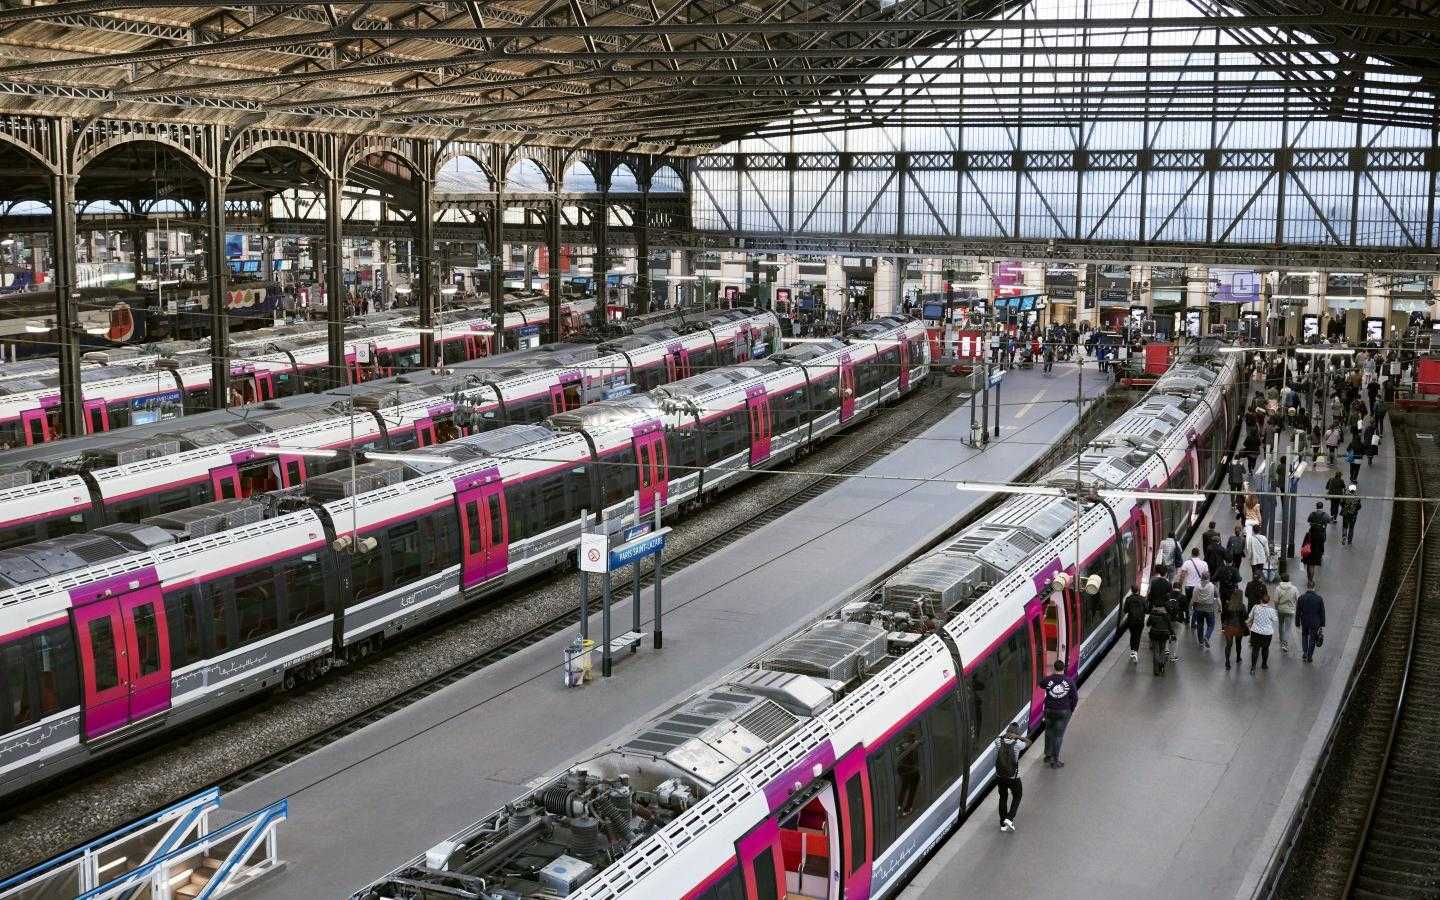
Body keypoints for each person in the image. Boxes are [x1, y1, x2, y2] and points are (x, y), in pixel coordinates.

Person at [1038, 659, 1077, 768]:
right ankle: (1055, 761)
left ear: (1054, 668)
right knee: (1058, 736)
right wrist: (1071, 709)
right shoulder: (1069, 681)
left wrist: (1050, 680)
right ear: (1063, 668)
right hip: (1063, 711)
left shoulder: (1049, 679)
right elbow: (1075, 697)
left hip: (1049, 710)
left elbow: (1041, 684)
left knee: (1049, 731)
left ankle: (1048, 755)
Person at [994, 722, 1028, 832]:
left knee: (1003, 797)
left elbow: (996, 752)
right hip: (1013, 777)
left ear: (1007, 731)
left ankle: (1002, 824)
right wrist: (1018, 737)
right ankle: (1009, 818)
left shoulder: (998, 741)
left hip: (1000, 775)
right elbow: (1028, 742)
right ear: (1016, 733)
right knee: (1018, 795)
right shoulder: (1018, 743)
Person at [1247, 593, 1278, 673]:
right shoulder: (1271, 610)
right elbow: (1275, 619)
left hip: (1256, 632)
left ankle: (1253, 667)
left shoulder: (1255, 607)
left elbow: (1250, 617)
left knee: (1255, 649)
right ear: (1268, 601)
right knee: (1265, 649)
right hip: (1267, 633)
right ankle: (1264, 664)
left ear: (1261, 600)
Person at [1297, 586, 1327, 663]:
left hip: (1304, 621)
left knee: (1304, 636)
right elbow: (1322, 612)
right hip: (1315, 621)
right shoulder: (1319, 598)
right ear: (1314, 587)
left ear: (1307, 587)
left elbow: (1298, 611)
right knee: (1312, 639)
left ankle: (1305, 652)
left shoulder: (1301, 598)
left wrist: (1297, 622)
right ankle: (1310, 656)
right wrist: (1322, 624)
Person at [1221, 589, 1248, 671]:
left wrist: (1223, 625)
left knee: (1228, 645)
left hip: (1228, 627)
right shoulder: (1242, 606)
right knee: (1238, 643)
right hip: (1238, 627)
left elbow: (1223, 616)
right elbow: (1246, 617)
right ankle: (1238, 657)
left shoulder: (1227, 605)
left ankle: (1227, 663)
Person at [1146, 597, 1174, 676]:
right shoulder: (1166, 615)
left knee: (1156, 651)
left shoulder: (1153, 614)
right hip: (1164, 634)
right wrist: (1172, 634)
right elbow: (1170, 626)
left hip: (1154, 634)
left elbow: (1148, 624)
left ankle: (1156, 670)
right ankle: (1162, 666)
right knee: (1162, 650)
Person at [1190, 572, 1218, 650]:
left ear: (1201, 577)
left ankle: (1201, 642)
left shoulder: (1197, 586)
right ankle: (1207, 637)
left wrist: (1190, 607)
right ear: (1209, 578)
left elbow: (1193, 599)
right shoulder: (1213, 586)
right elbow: (1218, 599)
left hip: (1198, 609)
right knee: (1211, 625)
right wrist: (1220, 607)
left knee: (1200, 625)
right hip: (1209, 609)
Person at [1303, 503, 1329, 588]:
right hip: (1319, 541)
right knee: (1313, 564)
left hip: (1311, 540)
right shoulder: (1325, 515)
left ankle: (1309, 580)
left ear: (1316, 507)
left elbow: (1308, 520)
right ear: (1322, 507)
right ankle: (1311, 580)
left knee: (1309, 563)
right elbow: (1329, 521)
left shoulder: (1312, 514)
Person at [1273, 572, 1299, 653]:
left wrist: (1277, 608)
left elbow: (1276, 601)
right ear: (1289, 579)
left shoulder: (1278, 588)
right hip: (1290, 610)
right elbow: (1298, 599)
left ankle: (1281, 639)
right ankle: (1285, 642)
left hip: (1281, 609)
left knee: (1281, 624)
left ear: (1281, 579)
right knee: (1288, 627)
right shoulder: (1294, 588)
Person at [1122, 586, 1148, 663]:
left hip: (1131, 621)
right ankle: (1135, 652)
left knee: (1132, 635)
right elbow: (1146, 610)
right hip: (1140, 622)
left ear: (1132, 591)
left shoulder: (1128, 599)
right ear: (1138, 590)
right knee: (1138, 636)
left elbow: (1125, 610)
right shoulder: (1143, 599)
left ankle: (1132, 651)